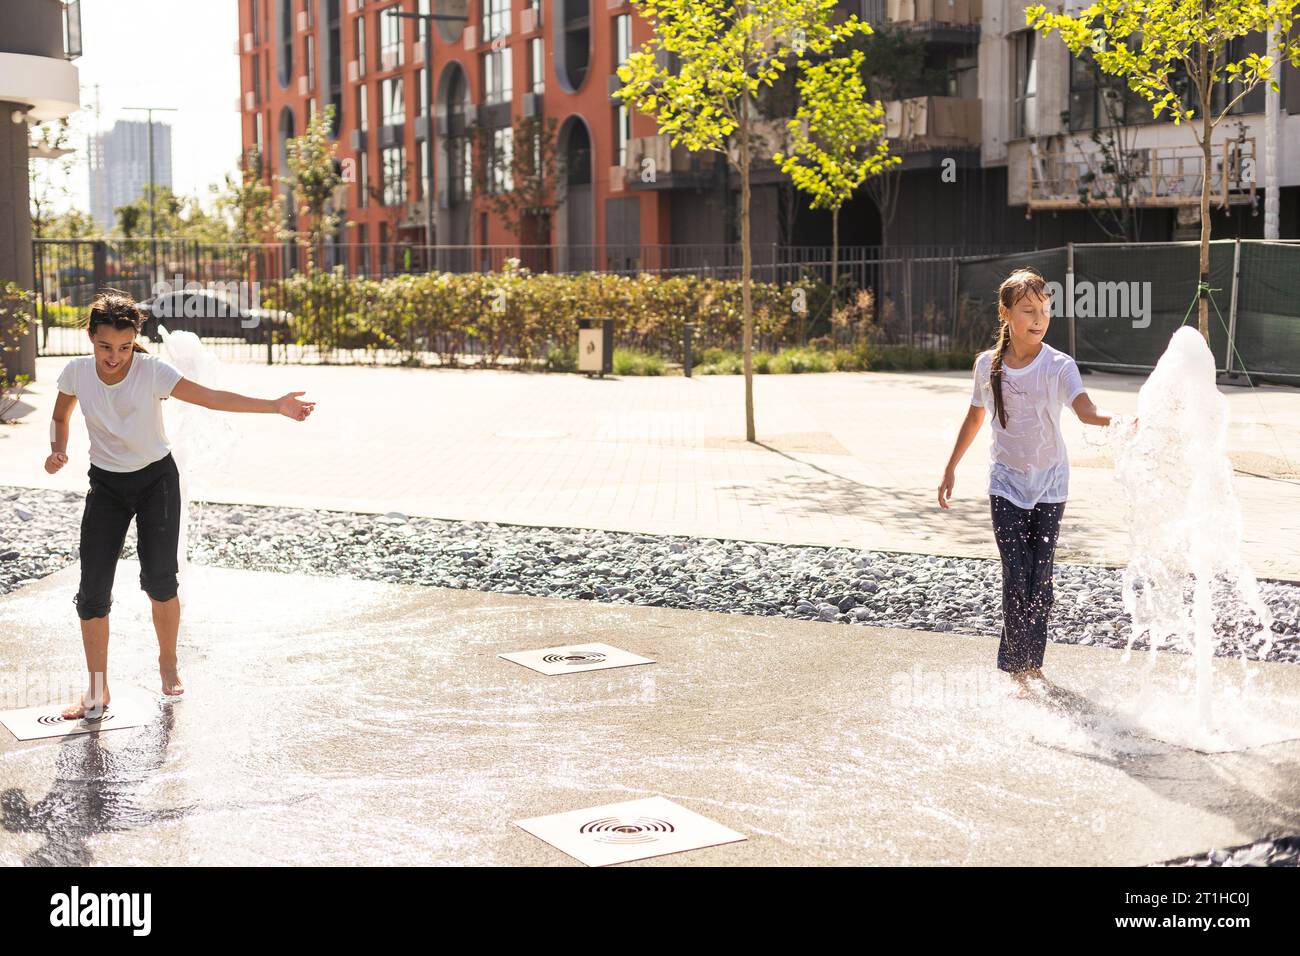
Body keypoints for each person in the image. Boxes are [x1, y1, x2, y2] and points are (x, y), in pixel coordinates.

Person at [45, 290, 316, 719]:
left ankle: (167, 661)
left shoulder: (152, 371)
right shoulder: (76, 373)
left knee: (160, 581)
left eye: (124, 347)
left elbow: (211, 397)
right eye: (104, 347)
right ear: (90, 338)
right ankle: (96, 690)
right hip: (108, 486)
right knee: (92, 592)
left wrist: (274, 406)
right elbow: (61, 416)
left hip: (157, 483)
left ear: (135, 340)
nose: (114, 357)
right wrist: (58, 449)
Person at [937, 268, 1112, 697]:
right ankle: (1018, 670)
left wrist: (1128, 422)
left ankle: (1032, 662)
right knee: (1016, 575)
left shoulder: (1058, 365)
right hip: (1006, 485)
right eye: (1028, 311)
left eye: (1045, 311)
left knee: (1040, 577)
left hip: (1051, 485)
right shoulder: (986, 365)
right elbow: (976, 415)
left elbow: (1087, 412)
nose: (1038, 319)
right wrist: (951, 466)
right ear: (1006, 313)